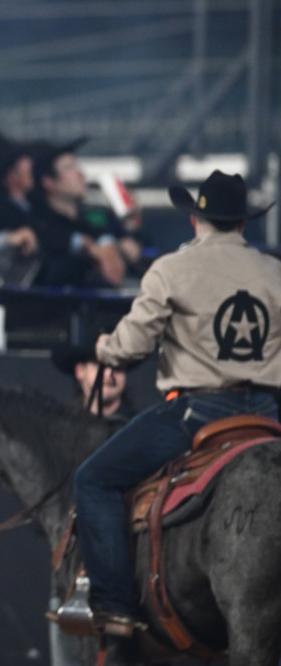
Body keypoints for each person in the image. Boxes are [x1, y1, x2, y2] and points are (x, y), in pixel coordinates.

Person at [72, 170, 281, 636]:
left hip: (198, 415)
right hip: (267, 417)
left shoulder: (173, 269)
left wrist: (105, 348)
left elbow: (130, 347)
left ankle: (116, 606)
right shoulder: (275, 272)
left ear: (195, 219)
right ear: (243, 223)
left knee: (94, 480)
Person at [27, 138, 138, 289]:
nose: (80, 173)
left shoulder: (96, 215)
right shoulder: (39, 225)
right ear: (48, 182)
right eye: (69, 168)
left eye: (77, 166)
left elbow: (131, 240)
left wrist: (113, 245)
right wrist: (92, 256)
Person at [50, 332, 135, 420]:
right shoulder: (62, 426)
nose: (109, 373)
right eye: (100, 365)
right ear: (80, 371)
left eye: (117, 366)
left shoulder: (141, 428)